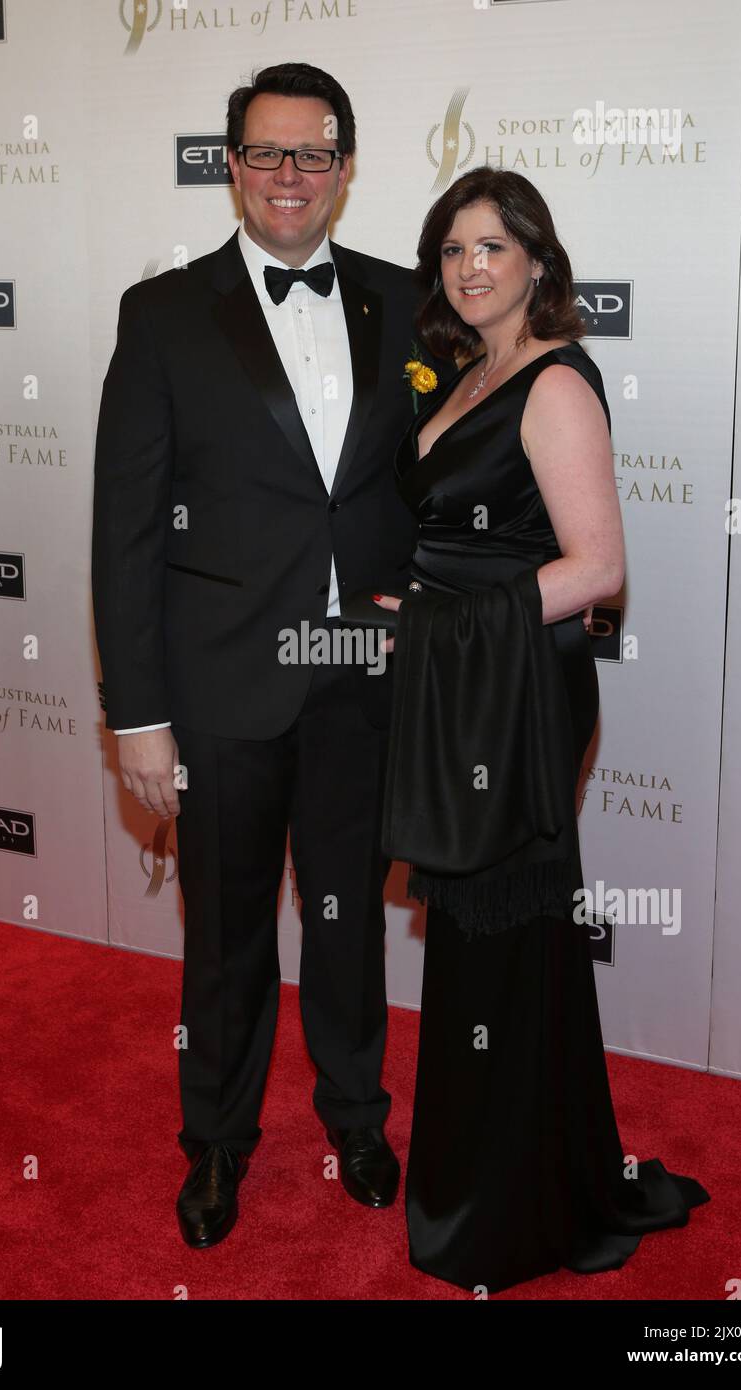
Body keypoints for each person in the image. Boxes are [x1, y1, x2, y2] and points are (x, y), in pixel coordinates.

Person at [91, 62, 448, 1250]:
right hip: (222, 689)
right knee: (226, 932)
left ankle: (355, 1111)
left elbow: (450, 479)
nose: (288, 175)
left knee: (349, 923)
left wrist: (438, 604)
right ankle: (218, 1141)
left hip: (362, 679)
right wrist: (135, 713)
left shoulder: (408, 306)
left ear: (345, 170)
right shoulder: (164, 314)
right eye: (265, 152)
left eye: (312, 154)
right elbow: (126, 527)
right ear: (230, 164)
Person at [373, 167, 710, 1294]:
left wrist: (441, 622)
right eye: (453, 249)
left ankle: (505, 1209)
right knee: (487, 942)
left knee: (504, 934)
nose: (470, 267)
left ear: (537, 264)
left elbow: (598, 568)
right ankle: (519, 1173)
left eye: (493, 247)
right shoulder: (470, 377)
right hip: (465, 680)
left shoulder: (555, 382)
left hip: (512, 687)